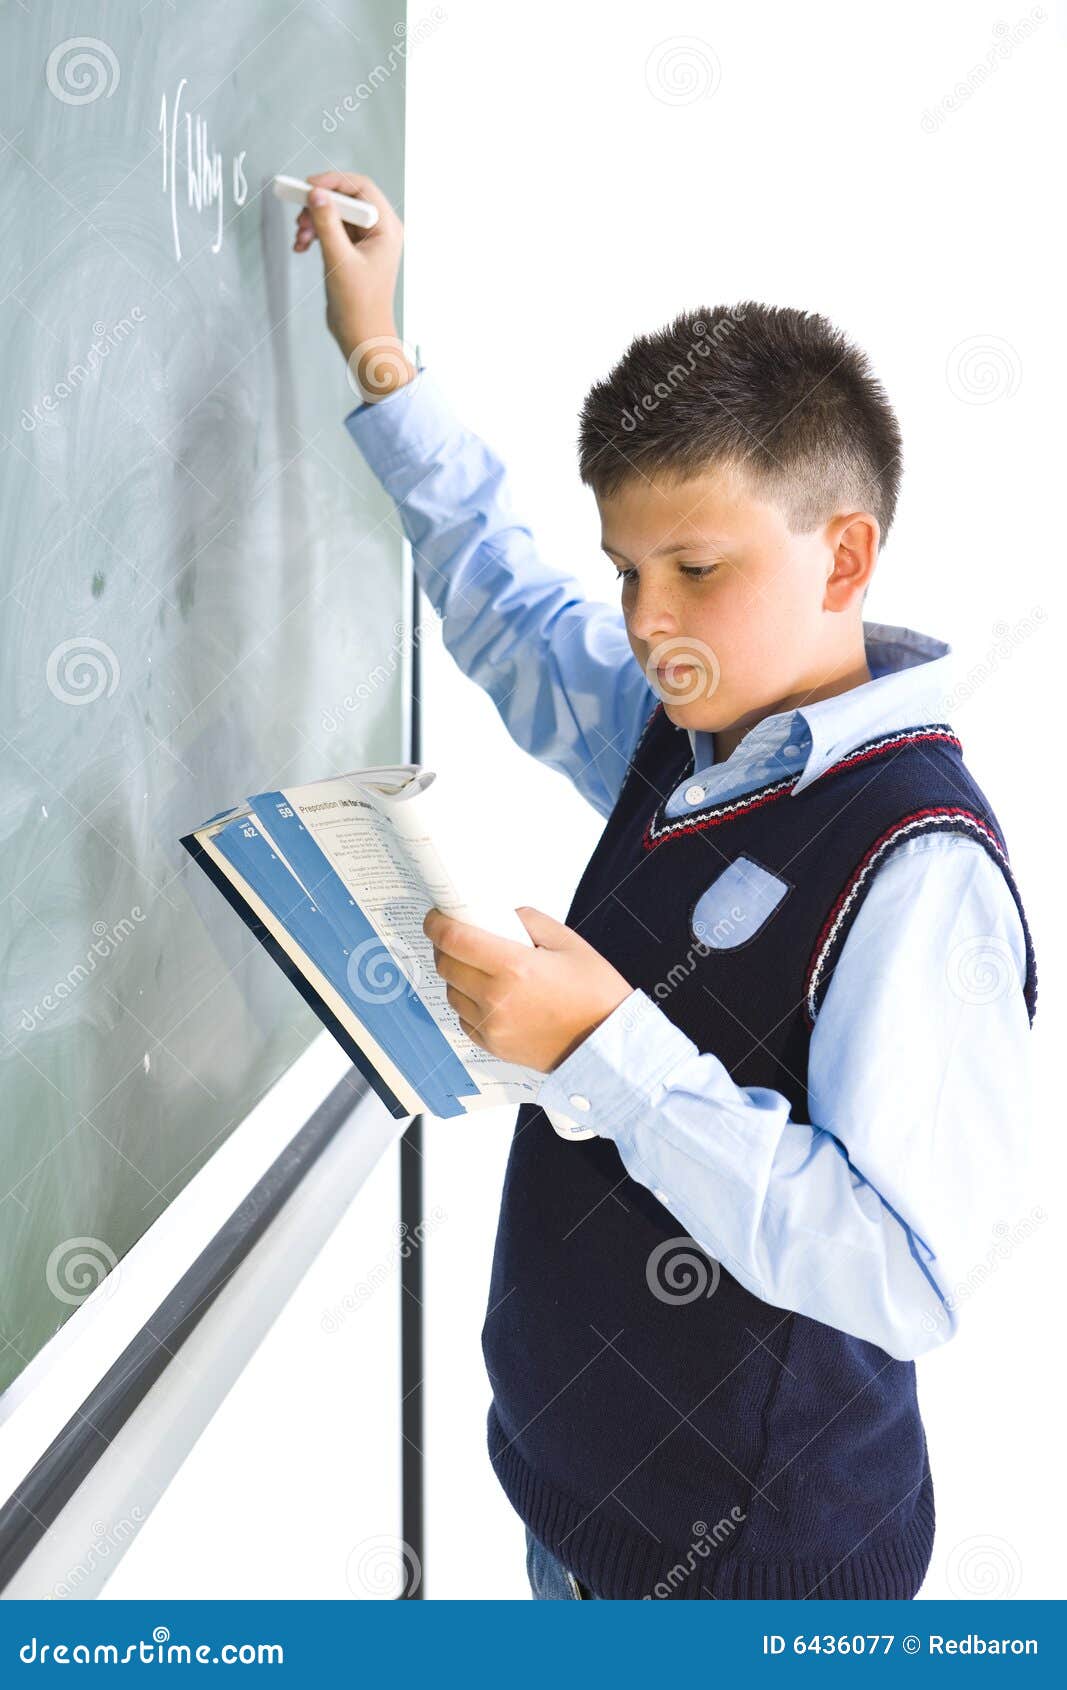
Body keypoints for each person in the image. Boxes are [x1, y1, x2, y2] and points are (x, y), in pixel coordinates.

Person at [294, 172, 1038, 1602]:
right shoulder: (684, 718)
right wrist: (380, 353)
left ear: (845, 556)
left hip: (750, 1579)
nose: (645, 619)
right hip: (582, 1513)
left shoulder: (919, 861)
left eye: (695, 567)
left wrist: (604, 1048)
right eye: (629, 567)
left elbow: (905, 1273)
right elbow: (504, 598)